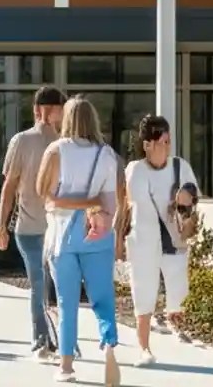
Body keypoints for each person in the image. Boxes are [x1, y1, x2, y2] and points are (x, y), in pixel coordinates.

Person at [36, 95, 124, 385]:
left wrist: (72, 202)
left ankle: (66, 366)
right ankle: (109, 344)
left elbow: (43, 192)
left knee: (66, 302)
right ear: (94, 120)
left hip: (62, 235)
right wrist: (92, 204)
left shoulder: (56, 150)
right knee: (102, 298)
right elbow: (110, 202)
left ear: (68, 119)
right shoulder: (108, 154)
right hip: (96, 232)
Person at [121, 114, 201, 366]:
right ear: (147, 144)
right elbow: (127, 205)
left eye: (168, 142)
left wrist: (185, 197)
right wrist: (117, 243)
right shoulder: (135, 170)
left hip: (174, 241)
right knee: (143, 295)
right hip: (143, 241)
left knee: (179, 292)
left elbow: (193, 191)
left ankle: (174, 324)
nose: (166, 147)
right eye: (161, 142)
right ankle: (144, 348)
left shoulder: (180, 165)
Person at [0, 85, 67, 360]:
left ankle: (61, 338)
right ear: (38, 110)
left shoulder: (68, 142)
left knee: (60, 284)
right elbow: (9, 186)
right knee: (38, 281)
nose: (56, 112)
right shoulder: (21, 141)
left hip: (60, 228)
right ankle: (41, 340)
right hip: (29, 228)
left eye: (60, 107)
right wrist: (1, 224)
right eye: (52, 107)